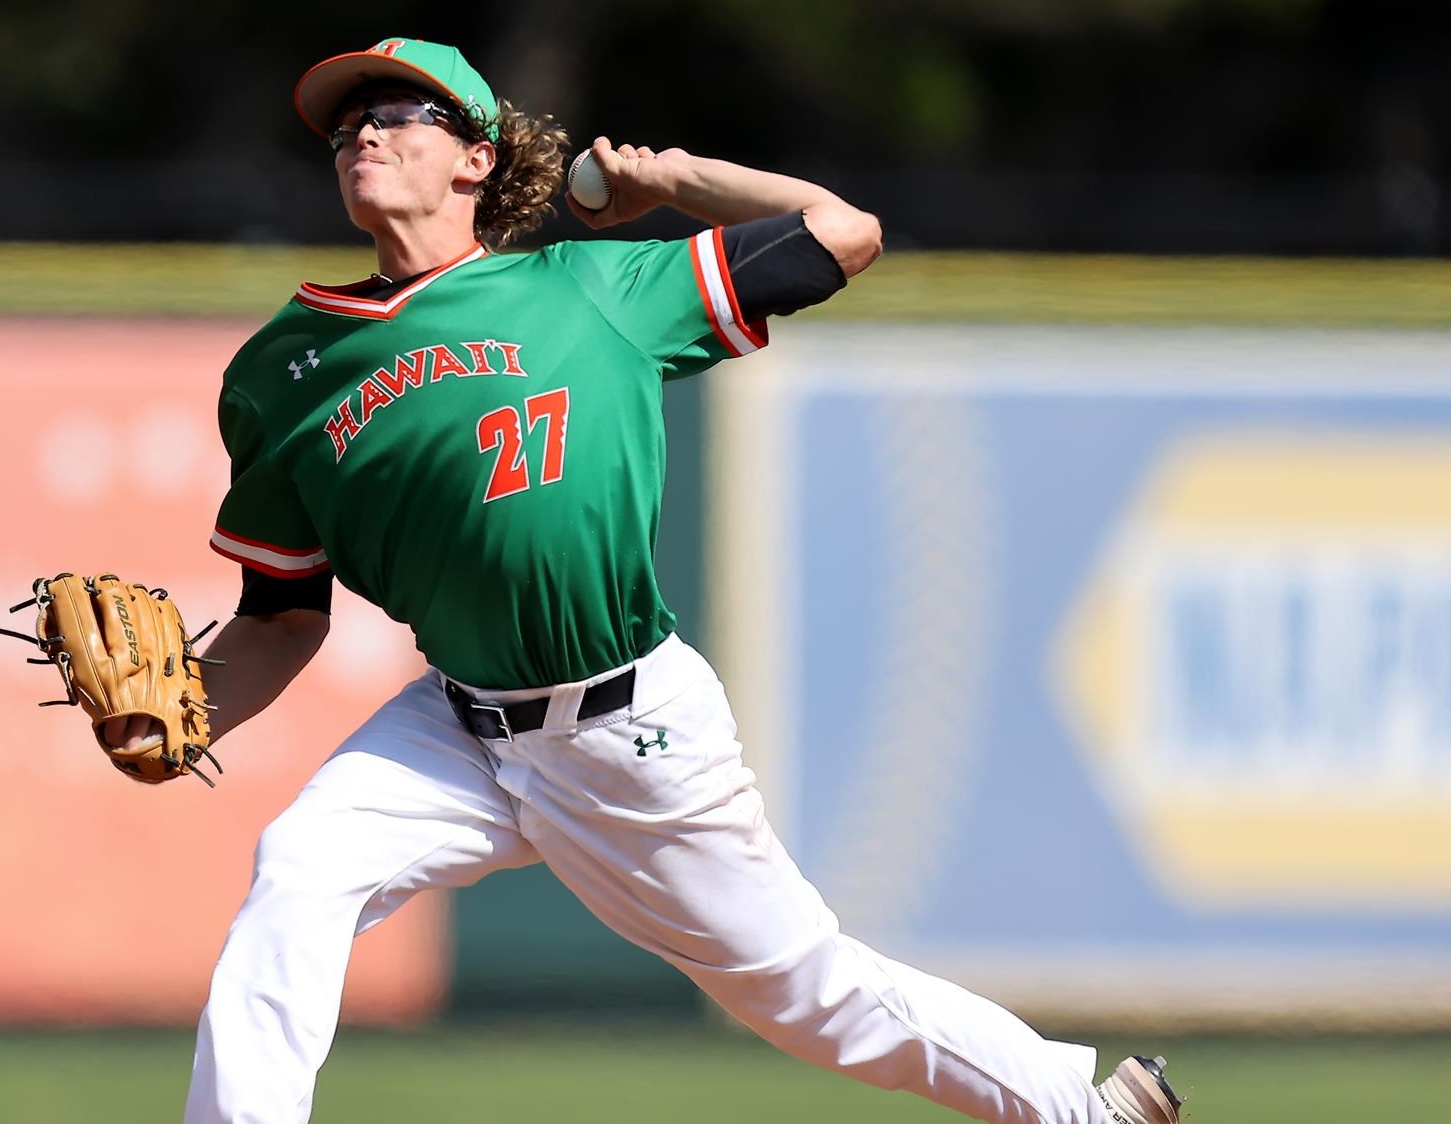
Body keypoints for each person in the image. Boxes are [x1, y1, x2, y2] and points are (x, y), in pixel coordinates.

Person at [153, 36, 1186, 1124]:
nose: (363, 130)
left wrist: (674, 182)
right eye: (347, 120)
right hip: (455, 722)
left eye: (401, 111)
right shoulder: (281, 370)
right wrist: (178, 716)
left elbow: (846, 231)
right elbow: (278, 616)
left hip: (624, 725)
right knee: (300, 869)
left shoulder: (590, 287)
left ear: (473, 160)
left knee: (805, 993)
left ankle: (1079, 1110)